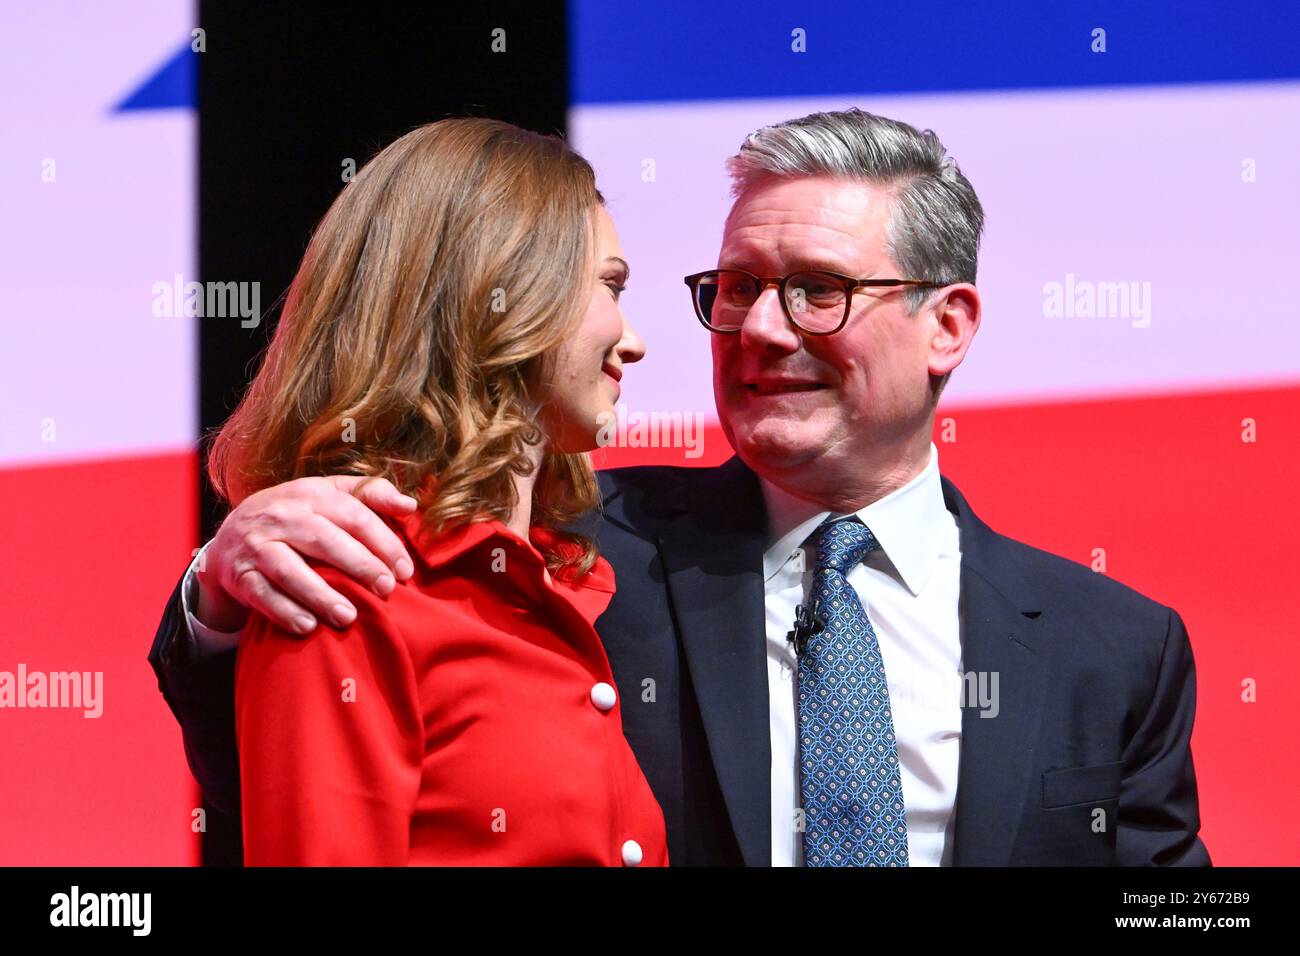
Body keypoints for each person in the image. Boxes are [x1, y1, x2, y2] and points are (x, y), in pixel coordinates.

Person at [150, 107, 1210, 867]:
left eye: (817, 291)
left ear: (948, 324)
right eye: (737, 287)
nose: (757, 328)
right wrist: (221, 586)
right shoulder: (565, 558)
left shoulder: (1110, 646)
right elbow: (293, 760)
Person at [158, 116, 664, 866]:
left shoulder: (565, 574)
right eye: (610, 286)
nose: (634, 339)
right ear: (502, 293)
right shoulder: (346, 582)